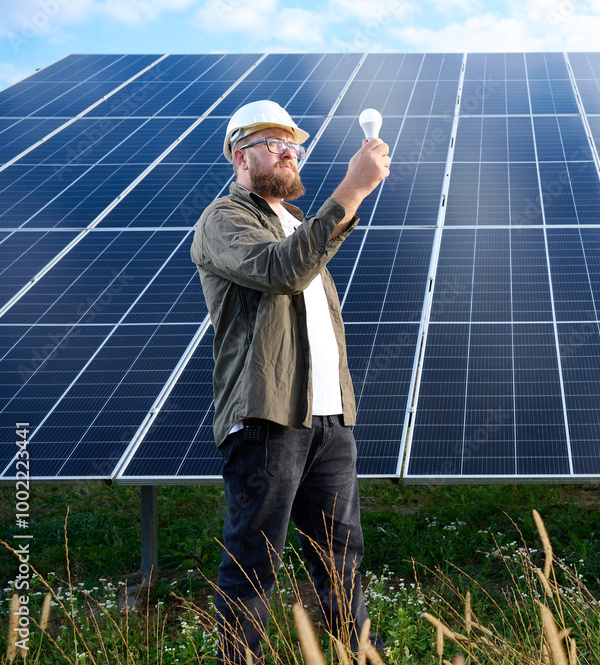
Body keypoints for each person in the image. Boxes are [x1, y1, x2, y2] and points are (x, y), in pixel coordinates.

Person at [190, 99, 390, 663]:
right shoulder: (224, 220)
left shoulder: (299, 224)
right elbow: (283, 271)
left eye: (294, 144)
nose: (288, 152)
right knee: (255, 564)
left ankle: (361, 658)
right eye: (272, 142)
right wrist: (351, 190)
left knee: (341, 561)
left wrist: (344, 205)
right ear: (239, 155)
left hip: (329, 419)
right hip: (267, 419)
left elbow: (303, 262)